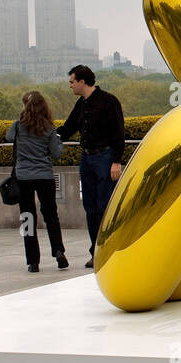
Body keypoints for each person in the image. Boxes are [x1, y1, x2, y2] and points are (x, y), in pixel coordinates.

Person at [58, 65, 125, 268]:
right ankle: (95, 251)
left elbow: (118, 132)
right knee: (90, 207)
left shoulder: (108, 101)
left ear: (82, 82)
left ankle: (109, 250)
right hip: (87, 159)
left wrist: (116, 161)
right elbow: (68, 128)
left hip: (105, 159)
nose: (70, 86)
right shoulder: (81, 104)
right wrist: (47, 137)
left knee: (105, 207)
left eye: (72, 82)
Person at [7, 91, 67, 272]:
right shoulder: (49, 128)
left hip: (24, 177)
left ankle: (33, 261)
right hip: (45, 176)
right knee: (51, 216)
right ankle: (58, 251)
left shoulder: (17, 126)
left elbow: (9, 138)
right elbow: (56, 154)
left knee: (28, 218)